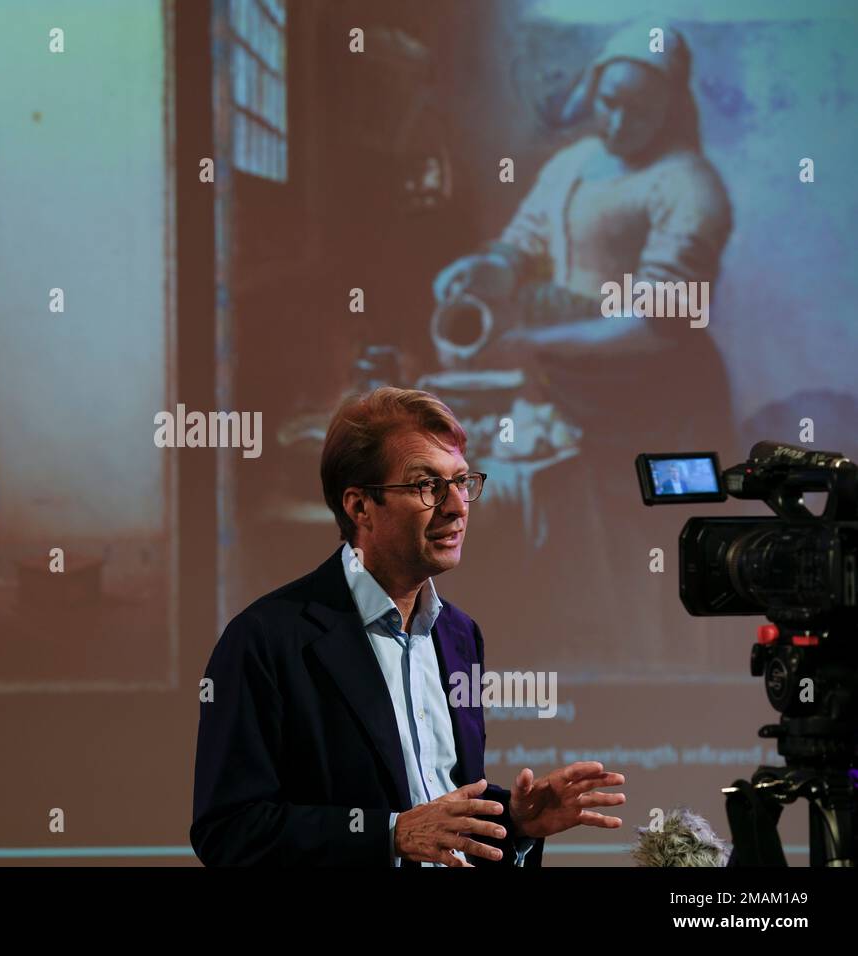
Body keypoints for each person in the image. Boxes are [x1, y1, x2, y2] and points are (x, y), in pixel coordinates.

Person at [191, 387, 626, 866]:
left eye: (462, 482)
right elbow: (228, 832)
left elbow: (438, 797)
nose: (457, 506)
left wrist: (514, 823)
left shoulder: (461, 636)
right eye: (428, 486)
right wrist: (389, 834)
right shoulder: (266, 640)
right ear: (359, 507)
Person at [431, 22, 736, 669]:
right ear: (593, 90)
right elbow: (524, 245)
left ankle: (684, 695)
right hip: (584, 401)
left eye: (639, 106)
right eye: (608, 100)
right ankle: (628, 683)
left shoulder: (690, 184)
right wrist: (485, 268)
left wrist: (532, 341)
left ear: (671, 107)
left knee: (672, 551)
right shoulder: (570, 166)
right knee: (603, 559)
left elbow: (658, 326)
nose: (618, 118)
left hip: (668, 406)